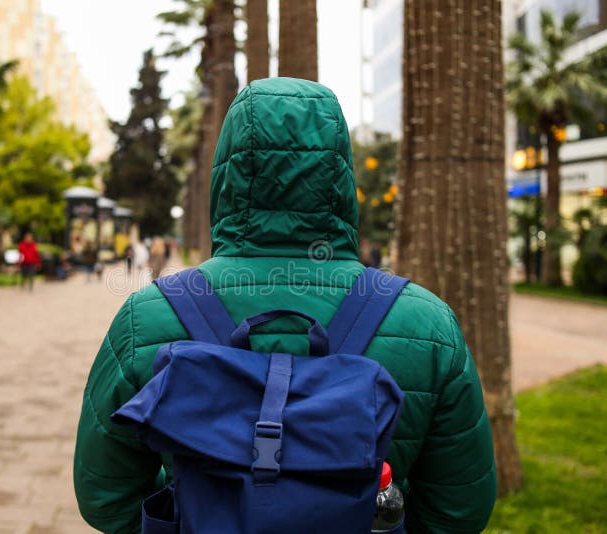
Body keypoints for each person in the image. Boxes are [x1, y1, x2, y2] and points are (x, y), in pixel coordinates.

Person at [73, 78, 496, 533]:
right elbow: (460, 507)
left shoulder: (147, 318)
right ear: (340, 173)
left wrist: (199, 495)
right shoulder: (427, 323)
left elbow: (104, 494)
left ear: (226, 173)